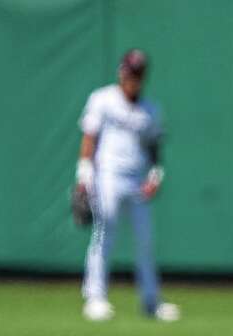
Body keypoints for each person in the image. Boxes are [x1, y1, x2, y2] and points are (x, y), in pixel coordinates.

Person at [74, 49, 179, 322]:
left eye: (139, 73)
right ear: (122, 72)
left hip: (136, 180)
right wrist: (84, 175)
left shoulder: (150, 110)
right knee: (104, 232)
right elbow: (89, 137)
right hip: (107, 176)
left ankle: (150, 301)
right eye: (131, 72)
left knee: (145, 239)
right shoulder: (103, 99)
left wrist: (155, 176)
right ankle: (95, 297)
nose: (135, 77)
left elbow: (154, 146)